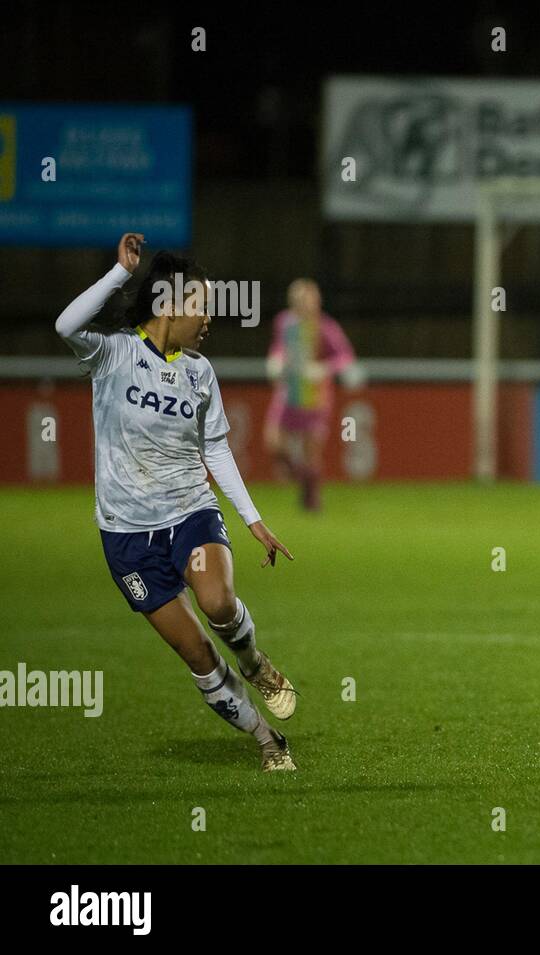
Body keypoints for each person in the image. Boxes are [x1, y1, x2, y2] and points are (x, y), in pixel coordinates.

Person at [56, 233, 299, 772]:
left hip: (190, 511)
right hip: (125, 537)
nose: (209, 319)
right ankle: (266, 739)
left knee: (217, 603)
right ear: (171, 305)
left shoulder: (199, 372)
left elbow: (215, 447)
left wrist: (253, 521)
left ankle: (255, 661)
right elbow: (65, 326)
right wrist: (120, 274)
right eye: (202, 308)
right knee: (197, 655)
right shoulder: (113, 354)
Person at [264, 279, 358, 512]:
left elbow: (345, 356)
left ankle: (312, 499)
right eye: (298, 300)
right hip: (287, 392)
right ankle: (305, 480)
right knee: (274, 443)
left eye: (307, 300)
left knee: (311, 452)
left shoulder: (325, 327)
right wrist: (275, 359)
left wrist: (323, 368)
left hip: (315, 396)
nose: (302, 305)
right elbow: (279, 346)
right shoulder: (284, 322)